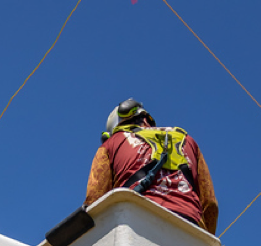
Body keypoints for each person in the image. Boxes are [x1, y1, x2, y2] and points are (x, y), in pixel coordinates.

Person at [85, 99, 218, 235]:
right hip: (192, 226)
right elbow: (210, 202)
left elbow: (95, 199)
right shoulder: (188, 140)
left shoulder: (110, 144)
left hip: (136, 220)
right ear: (147, 119)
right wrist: (207, 243)